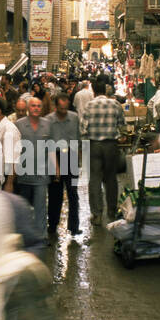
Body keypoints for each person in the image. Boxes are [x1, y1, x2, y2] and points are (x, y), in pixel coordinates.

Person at [83, 78, 125, 226]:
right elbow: (122, 125)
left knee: (94, 180)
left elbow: (83, 127)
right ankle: (111, 213)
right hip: (111, 145)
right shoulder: (115, 104)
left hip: (94, 145)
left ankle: (97, 214)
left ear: (94, 90)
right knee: (111, 179)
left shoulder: (89, 106)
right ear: (106, 90)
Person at [14, 95, 53, 238]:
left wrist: (56, 168)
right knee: (23, 206)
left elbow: (52, 147)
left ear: (41, 108)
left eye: (38, 106)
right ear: (28, 108)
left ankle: (41, 236)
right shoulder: (19, 124)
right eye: (33, 106)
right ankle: (24, 235)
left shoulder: (47, 124)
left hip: (42, 173)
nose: (36, 108)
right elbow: (15, 149)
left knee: (41, 207)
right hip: (23, 172)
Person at [46, 93, 82, 238]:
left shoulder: (74, 118)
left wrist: (79, 160)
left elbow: (79, 139)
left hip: (71, 157)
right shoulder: (48, 120)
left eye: (65, 108)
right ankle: (53, 225)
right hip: (55, 157)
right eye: (60, 109)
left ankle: (74, 227)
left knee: (73, 193)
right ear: (56, 106)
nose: (63, 111)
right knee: (55, 194)